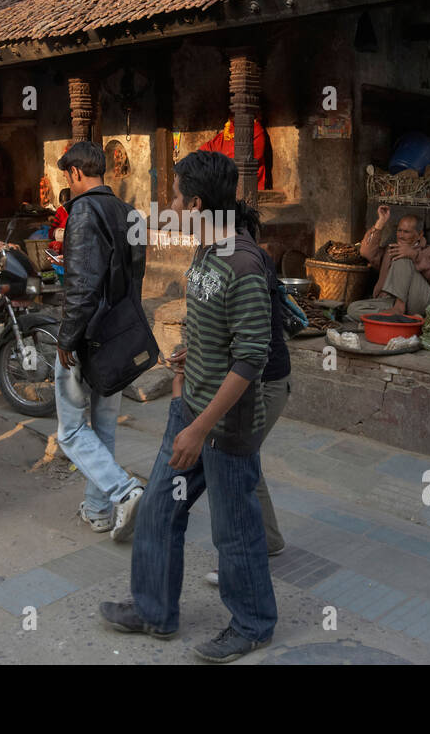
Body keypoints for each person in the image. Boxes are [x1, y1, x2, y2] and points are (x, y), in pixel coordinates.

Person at [100, 150, 277, 663]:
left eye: (175, 196)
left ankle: (253, 624)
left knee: (234, 531)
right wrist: (184, 371)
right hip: (190, 412)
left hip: (223, 428)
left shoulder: (242, 263)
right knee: (157, 508)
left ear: (197, 203)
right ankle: (154, 611)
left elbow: (249, 359)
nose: (170, 203)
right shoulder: (205, 249)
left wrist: (198, 429)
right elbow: (218, 336)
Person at [54, 142, 146, 540]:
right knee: (104, 425)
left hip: (87, 334)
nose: (68, 184)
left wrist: (68, 338)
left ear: (75, 173)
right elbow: (135, 278)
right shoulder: (128, 212)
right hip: (117, 334)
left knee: (72, 429)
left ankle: (124, 490)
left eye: (67, 177)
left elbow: (83, 285)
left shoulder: (83, 211)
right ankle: (99, 511)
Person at [201, 209, 290, 586]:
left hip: (263, 382)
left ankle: (240, 562)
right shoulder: (236, 258)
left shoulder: (244, 263)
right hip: (268, 380)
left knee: (232, 467)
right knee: (245, 461)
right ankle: (268, 540)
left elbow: (250, 351)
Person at [349, 208, 430, 320]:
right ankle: (397, 319)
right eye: (399, 231)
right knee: (353, 308)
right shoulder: (390, 250)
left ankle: (398, 310)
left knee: (402, 257)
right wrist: (380, 222)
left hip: (418, 302)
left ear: (420, 235)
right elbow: (366, 252)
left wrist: (414, 255)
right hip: (390, 301)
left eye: (406, 232)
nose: (401, 235)